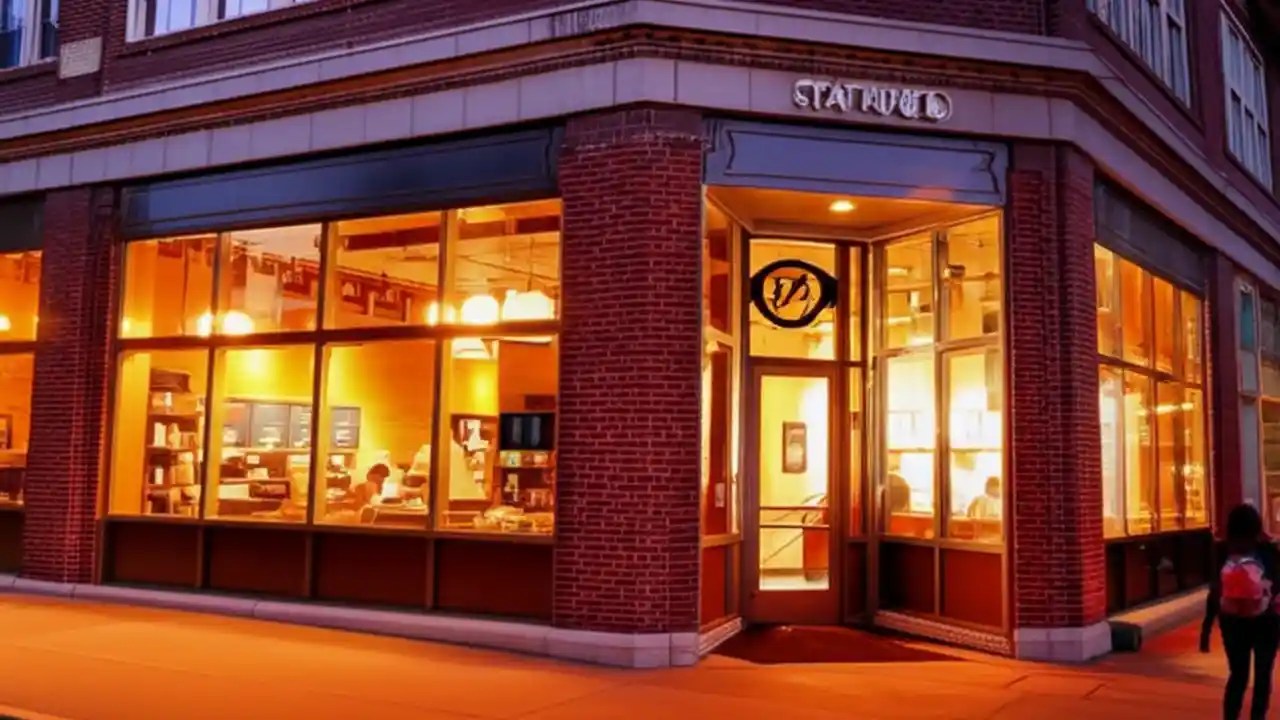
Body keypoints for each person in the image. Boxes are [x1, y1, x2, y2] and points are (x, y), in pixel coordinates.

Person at [1201, 503, 1280, 720]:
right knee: (1263, 676)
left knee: (1237, 675)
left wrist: (1207, 629)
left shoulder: (1222, 551)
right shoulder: (1267, 550)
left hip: (1233, 622)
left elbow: (1214, 589)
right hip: (1266, 623)